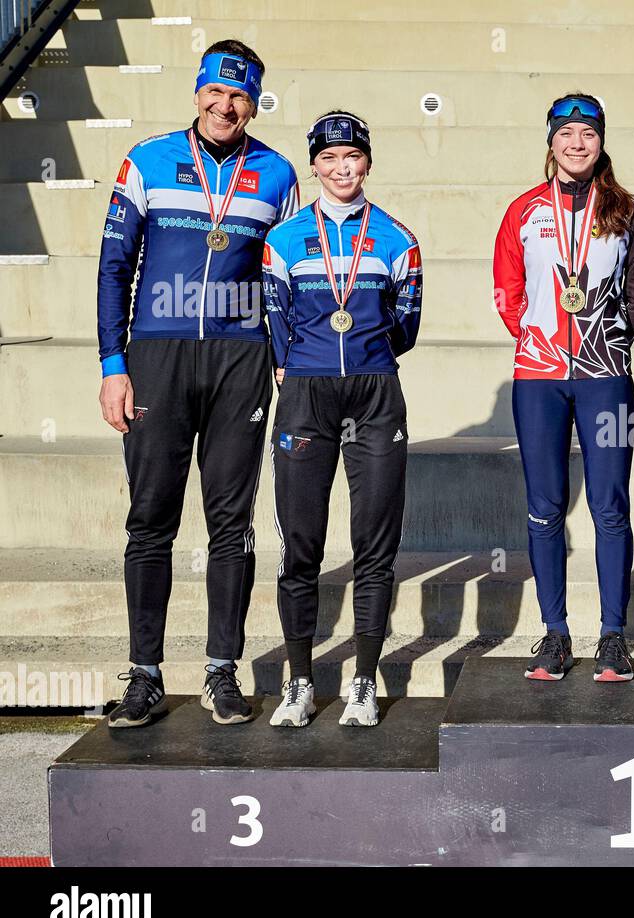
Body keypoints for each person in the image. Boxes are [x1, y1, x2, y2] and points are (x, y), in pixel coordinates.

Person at [98, 40, 299, 728]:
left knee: (230, 523)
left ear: (254, 102)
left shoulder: (276, 173)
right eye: (216, 92)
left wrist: (286, 358)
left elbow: (287, 277)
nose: (226, 106)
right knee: (150, 516)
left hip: (240, 362)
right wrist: (111, 364)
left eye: (240, 96)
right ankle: (145, 675)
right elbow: (112, 268)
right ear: (197, 92)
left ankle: (222, 671)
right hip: (156, 356)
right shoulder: (147, 160)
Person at [262, 111, 422, 727]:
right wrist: (296, 366)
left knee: (374, 545)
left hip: (376, 395)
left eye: (352, 157)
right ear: (314, 166)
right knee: (300, 543)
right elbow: (275, 316)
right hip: (305, 396)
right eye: (328, 160)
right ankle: (299, 681)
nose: (341, 168)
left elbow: (404, 325)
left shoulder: (397, 239)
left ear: (368, 163)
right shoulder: (282, 239)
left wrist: (362, 358)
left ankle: (363, 679)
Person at [493, 93, 634, 682]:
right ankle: (555, 633)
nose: (577, 143)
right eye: (566, 133)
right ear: (551, 140)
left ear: (601, 140)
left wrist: (609, 336)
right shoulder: (522, 211)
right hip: (538, 378)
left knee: (610, 506)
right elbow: (508, 289)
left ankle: (613, 635)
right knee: (545, 507)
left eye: (588, 133)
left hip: (604, 375)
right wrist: (536, 337)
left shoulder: (627, 212)